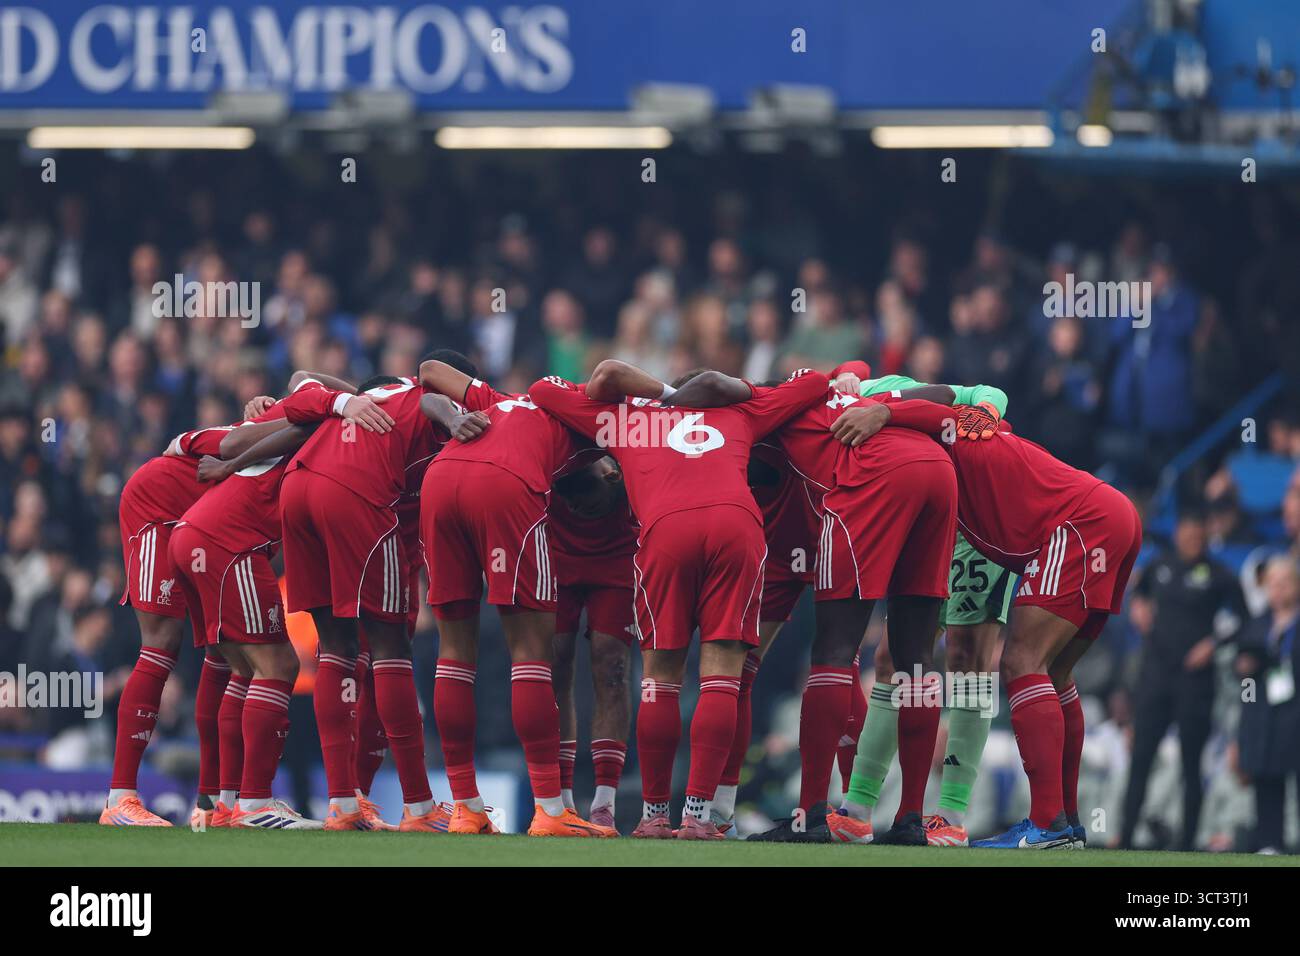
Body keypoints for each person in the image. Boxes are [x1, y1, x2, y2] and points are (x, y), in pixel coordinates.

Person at [528, 361, 829, 839]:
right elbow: (813, 382)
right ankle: (698, 817)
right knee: (722, 679)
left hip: (665, 531)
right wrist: (737, 387)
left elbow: (543, 390)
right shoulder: (742, 411)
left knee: (660, 679)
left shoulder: (629, 420)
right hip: (736, 525)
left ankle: (652, 817)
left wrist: (647, 395)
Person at [904, 411, 1142, 849]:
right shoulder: (962, 440)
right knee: (1054, 673)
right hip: (1112, 517)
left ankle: (1045, 823)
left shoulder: (941, 438)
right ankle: (1065, 823)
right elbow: (982, 404)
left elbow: (976, 399)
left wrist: (884, 408)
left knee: (1020, 662)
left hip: (1078, 525)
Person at [419, 354, 615, 838]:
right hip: (505, 485)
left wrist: (451, 416)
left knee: (454, 654)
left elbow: (429, 373)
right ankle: (550, 810)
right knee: (530, 652)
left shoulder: (502, 401)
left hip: (440, 483)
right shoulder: (590, 421)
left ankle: (465, 807)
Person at [836, 366, 1014, 847]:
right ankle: (856, 808)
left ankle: (951, 814)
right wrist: (846, 378)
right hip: (923, 527)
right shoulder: (845, 396)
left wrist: (982, 419)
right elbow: (845, 371)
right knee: (891, 659)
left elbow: (990, 390)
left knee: (967, 659)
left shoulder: (900, 392)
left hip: (979, 524)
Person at [277, 364, 453, 831]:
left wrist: (345, 398)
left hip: (297, 490)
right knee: (391, 650)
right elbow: (432, 400)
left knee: (336, 648)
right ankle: (418, 807)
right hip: (356, 495)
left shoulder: (368, 402)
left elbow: (300, 379)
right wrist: (454, 416)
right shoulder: (428, 399)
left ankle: (344, 803)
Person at [172, 375, 352, 829]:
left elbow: (299, 384)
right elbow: (304, 407)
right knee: (280, 667)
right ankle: (255, 804)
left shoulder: (283, 419)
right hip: (228, 543)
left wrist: (337, 398)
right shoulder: (316, 421)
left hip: (194, 535)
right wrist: (347, 400)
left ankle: (226, 803)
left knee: (244, 669)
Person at [1120, 509, 1245, 850]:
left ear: (1204, 534)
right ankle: (1126, 838)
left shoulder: (1219, 575)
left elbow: (1243, 619)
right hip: (1157, 676)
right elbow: (1137, 592)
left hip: (1195, 680)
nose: (1191, 538)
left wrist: (1214, 644)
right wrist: (1138, 606)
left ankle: (1188, 844)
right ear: (1178, 532)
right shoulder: (1160, 566)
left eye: (1197, 532)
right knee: (1141, 758)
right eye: (1185, 530)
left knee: (1192, 763)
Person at [549, 456, 638, 831]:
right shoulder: (554, 429)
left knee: (612, 666)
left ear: (612, 476)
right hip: (555, 556)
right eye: (568, 498)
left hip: (617, 559)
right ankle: (561, 799)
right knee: (554, 665)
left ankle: (605, 801)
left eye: (587, 497)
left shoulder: (633, 444)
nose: (577, 507)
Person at [1234, 555, 1300, 854]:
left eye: (1285, 583)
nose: (1278, 590)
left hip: (1295, 709)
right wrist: (1244, 668)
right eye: (1272, 584)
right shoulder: (1258, 623)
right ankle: (1269, 842)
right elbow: (1243, 671)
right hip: (1264, 709)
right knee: (1266, 773)